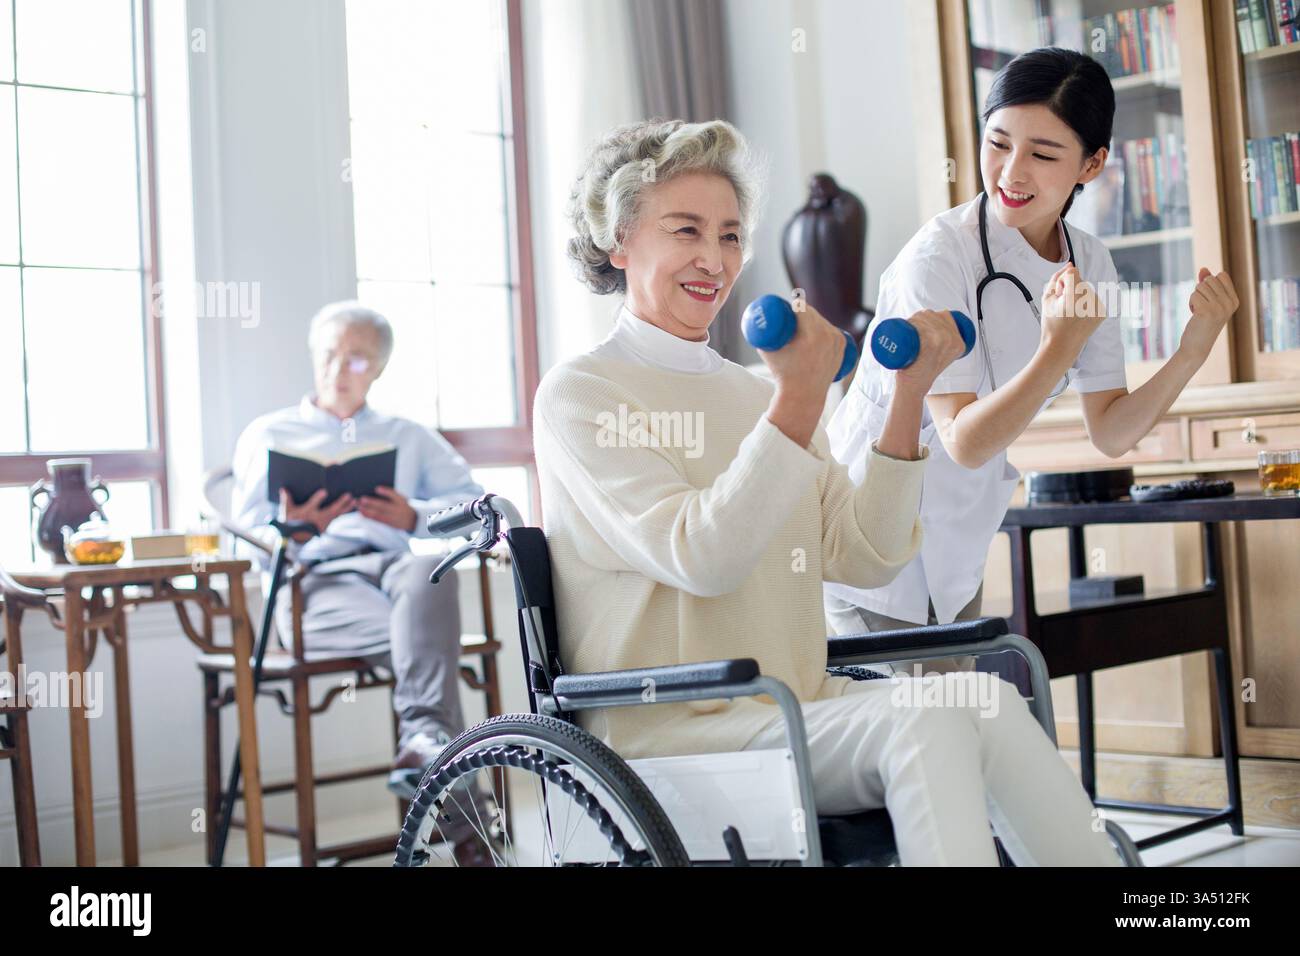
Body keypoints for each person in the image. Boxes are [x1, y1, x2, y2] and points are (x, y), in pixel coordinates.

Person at [532, 117, 1123, 865]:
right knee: (925, 722)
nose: (714, 259)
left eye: (730, 235)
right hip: (670, 730)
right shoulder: (583, 393)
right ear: (619, 240)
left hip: (794, 704)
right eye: (686, 231)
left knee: (985, 699)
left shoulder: (759, 390)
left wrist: (910, 392)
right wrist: (799, 402)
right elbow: (704, 554)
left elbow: (865, 553)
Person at [825, 49, 1239, 667]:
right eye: (998, 143)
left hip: (957, 545)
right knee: (915, 741)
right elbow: (962, 438)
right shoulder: (937, 259)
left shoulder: (1090, 263)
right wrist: (1057, 348)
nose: (1011, 172)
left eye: (1043, 154)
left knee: (956, 731)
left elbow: (1112, 432)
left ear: (1092, 164)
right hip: (869, 540)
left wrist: (1191, 352)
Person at [229, 301, 488, 822]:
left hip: (394, 570)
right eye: (328, 355)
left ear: (379, 368)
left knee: (427, 571)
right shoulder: (269, 433)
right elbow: (242, 543)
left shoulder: (407, 435)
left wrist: (411, 515)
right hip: (314, 582)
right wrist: (295, 529)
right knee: (427, 652)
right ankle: (468, 826)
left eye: (356, 360)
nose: (337, 370)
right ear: (312, 356)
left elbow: (476, 511)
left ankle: (425, 739)